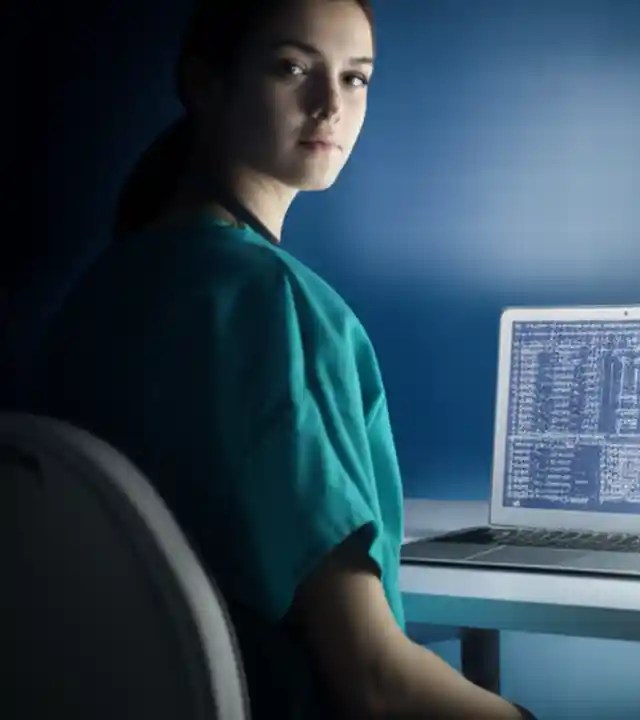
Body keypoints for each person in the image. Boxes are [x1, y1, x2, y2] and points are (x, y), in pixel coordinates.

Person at [30, 1, 534, 718]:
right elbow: (374, 681)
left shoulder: (96, 296)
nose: (331, 105)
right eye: (294, 68)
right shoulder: (273, 304)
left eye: (356, 78)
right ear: (206, 84)